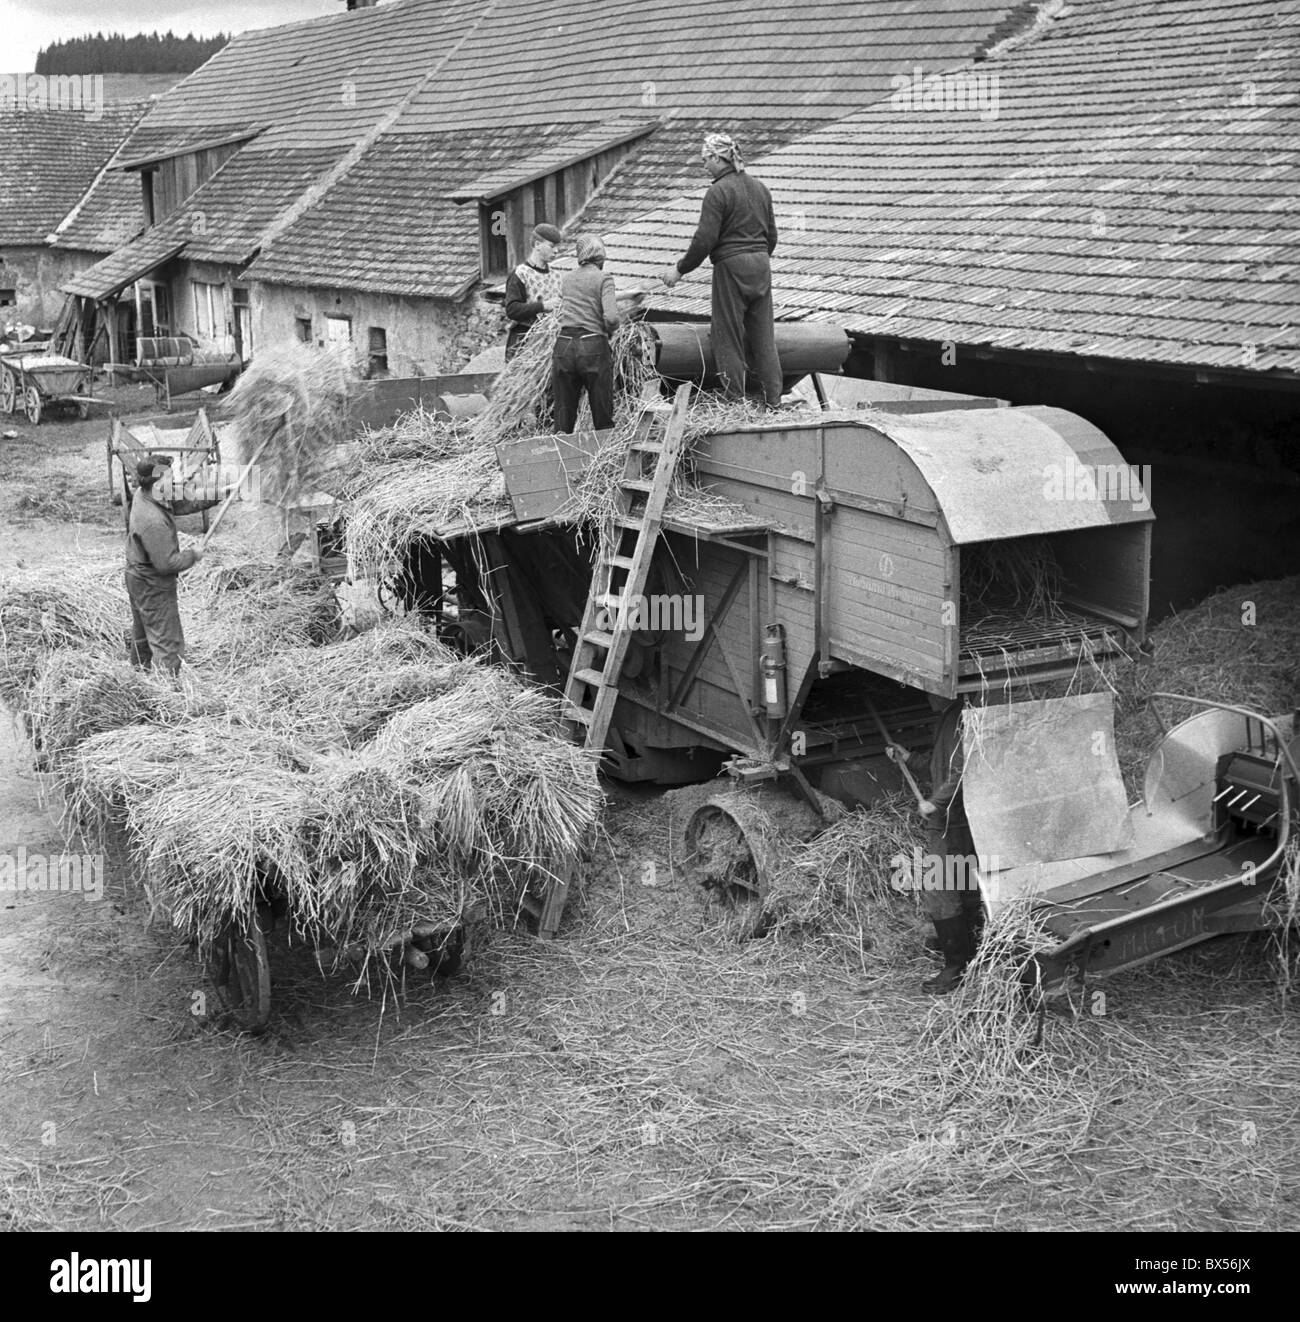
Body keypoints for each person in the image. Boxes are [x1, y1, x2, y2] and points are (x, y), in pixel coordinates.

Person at [657, 132, 782, 407]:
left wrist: (680, 270)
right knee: (764, 336)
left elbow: (705, 239)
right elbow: (772, 236)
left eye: (705, 160)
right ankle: (774, 399)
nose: (703, 166)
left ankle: (735, 399)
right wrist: (756, 257)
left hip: (731, 266)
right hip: (761, 265)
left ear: (717, 157)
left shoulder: (718, 192)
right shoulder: (761, 188)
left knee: (727, 334)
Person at [918, 696, 982, 994]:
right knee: (965, 886)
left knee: (940, 888)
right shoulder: (950, 715)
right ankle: (971, 953)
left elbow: (962, 771)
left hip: (948, 821)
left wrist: (935, 803)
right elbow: (940, 768)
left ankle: (955, 967)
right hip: (963, 818)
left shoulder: (958, 718)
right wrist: (906, 758)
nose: (927, 697)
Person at [551, 235, 640, 433]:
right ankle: (603, 455)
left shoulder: (567, 279)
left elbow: (582, 295)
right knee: (602, 412)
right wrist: (610, 331)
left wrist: (625, 293)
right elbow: (610, 317)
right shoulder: (604, 278)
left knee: (563, 415)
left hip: (563, 346)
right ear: (601, 256)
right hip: (592, 346)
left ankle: (559, 456)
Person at [125, 453, 202, 676]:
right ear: (158, 482)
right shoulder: (152, 521)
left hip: (136, 576)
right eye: (170, 477)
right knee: (168, 640)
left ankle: (138, 679)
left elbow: (182, 501)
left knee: (143, 633)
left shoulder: (145, 493)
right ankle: (167, 694)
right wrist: (193, 554)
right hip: (152, 582)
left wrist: (220, 493)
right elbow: (166, 563)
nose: (174, 480)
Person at [504, 223, 564, 362]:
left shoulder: (557, 277)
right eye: (552, 246)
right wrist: (542, 306)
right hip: (523, 342)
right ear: (537, 245)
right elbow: (512, 309)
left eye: (557, 246)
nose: (556, 251)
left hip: (550, 343)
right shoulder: (520, 274)